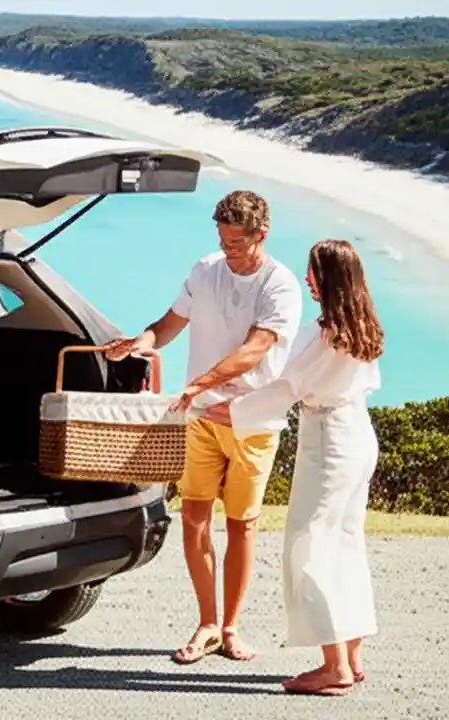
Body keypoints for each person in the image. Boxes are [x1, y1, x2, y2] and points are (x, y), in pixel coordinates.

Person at [104, 189, 303, 665]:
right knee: (194, 519)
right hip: (202, 420)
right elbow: (170, 324)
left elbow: (255, 350)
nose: (228, 250)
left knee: (242, 525)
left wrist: (199, 384)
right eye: (223, 239)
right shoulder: (204, 269)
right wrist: (139, 343)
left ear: (261, 235)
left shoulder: (281, 286)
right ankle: (208, 624)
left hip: (252, 422)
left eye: (237, 242)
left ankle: (232, 627)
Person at [203, 239, 384, 696]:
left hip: (328, 441)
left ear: (328, 279)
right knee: (345, 544)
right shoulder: (364, 328)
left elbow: (286, 387)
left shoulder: (322, 332)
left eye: (313, 273)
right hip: (359, 434)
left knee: (308, 548)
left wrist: (225, 409)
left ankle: (333, 667)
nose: (307, 280)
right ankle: (351, 655)